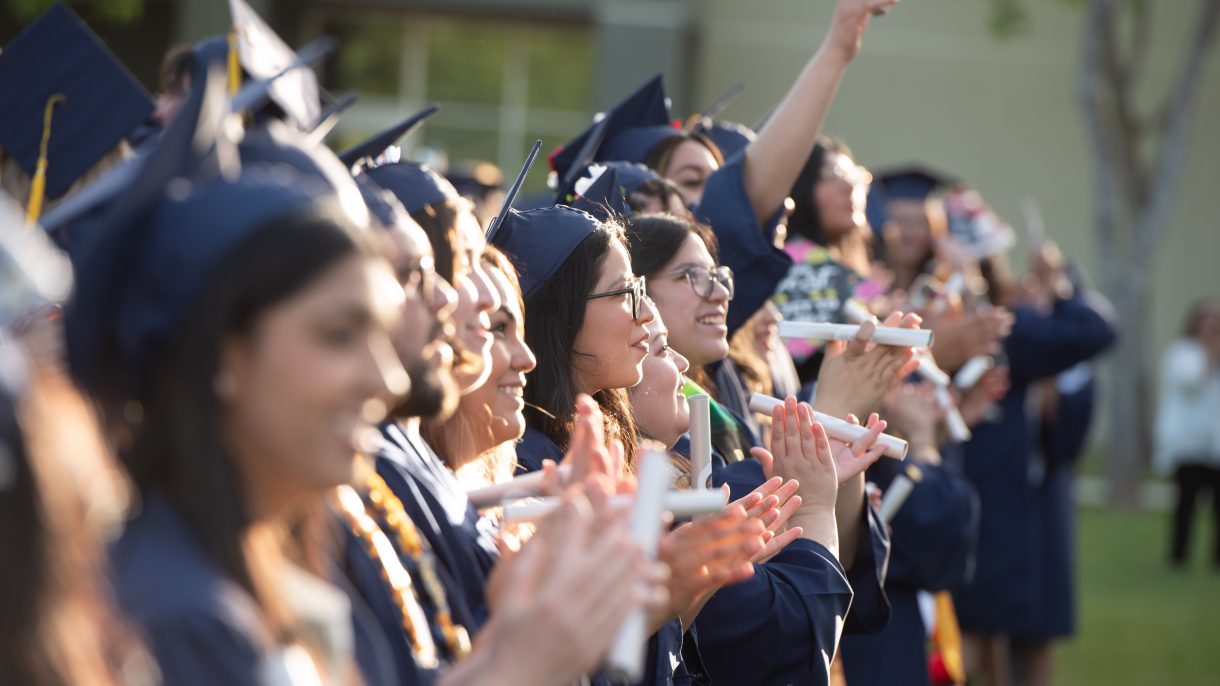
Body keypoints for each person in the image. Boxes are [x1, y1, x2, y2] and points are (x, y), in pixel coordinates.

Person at [1156, 298, 1220, 569]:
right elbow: (1191, 382)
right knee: (1186, 504)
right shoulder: (1181, 353)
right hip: (1187, 443)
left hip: (1215, 444)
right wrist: (1210, 353)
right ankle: (1179, 557)